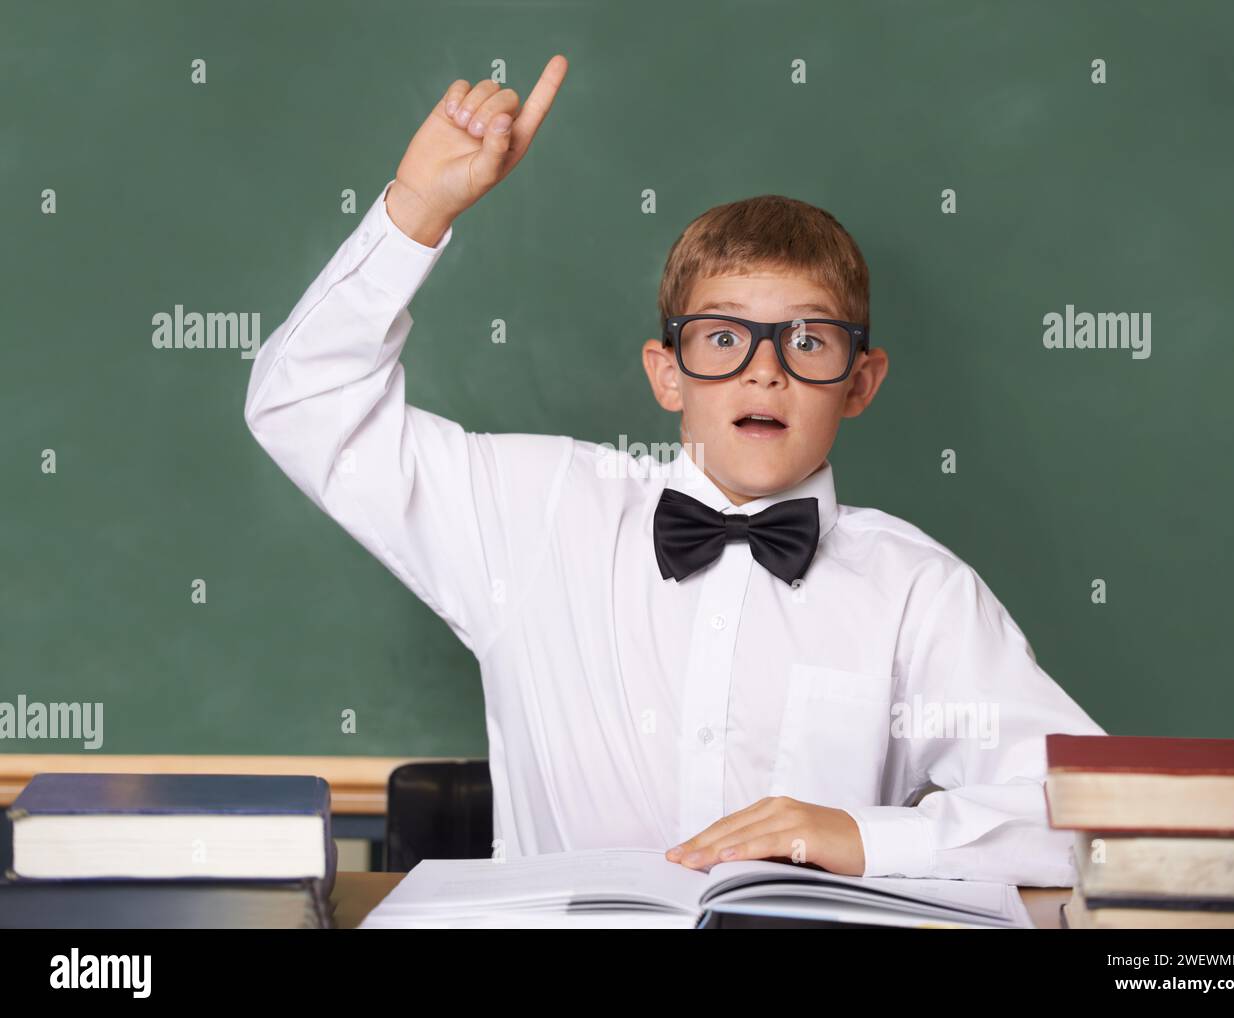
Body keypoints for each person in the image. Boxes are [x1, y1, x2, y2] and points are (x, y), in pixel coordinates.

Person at [244, 54, 1105, 885]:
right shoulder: (533, 515)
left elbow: (1091, 816)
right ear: (667, 373)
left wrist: (861, 836)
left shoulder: (919, 593)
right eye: (724, 338)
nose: (765, 370)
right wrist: (416, 210)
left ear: (859, 383)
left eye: (809, 341)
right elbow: (302, 407)